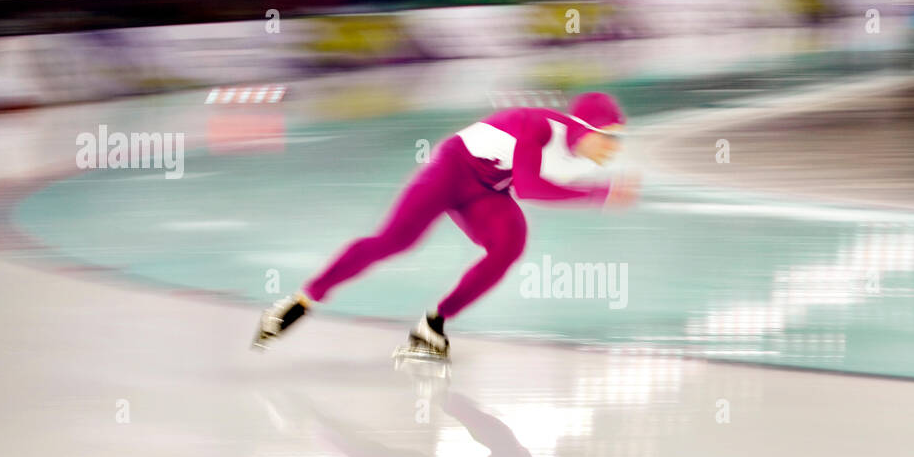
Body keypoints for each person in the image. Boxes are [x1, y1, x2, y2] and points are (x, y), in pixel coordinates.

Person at [252, 91, 636, 358]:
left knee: (508, 246)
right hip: (452, 169)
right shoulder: (537, 128)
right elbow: (533, 187)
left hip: (487, 189)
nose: (613, 148)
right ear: (588, 128)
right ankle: (302, 300)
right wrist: (599, 196)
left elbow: (530, 185)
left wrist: (596, 191)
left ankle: (432, 327)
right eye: (610, 138)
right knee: (395, 241)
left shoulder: (580, 156)